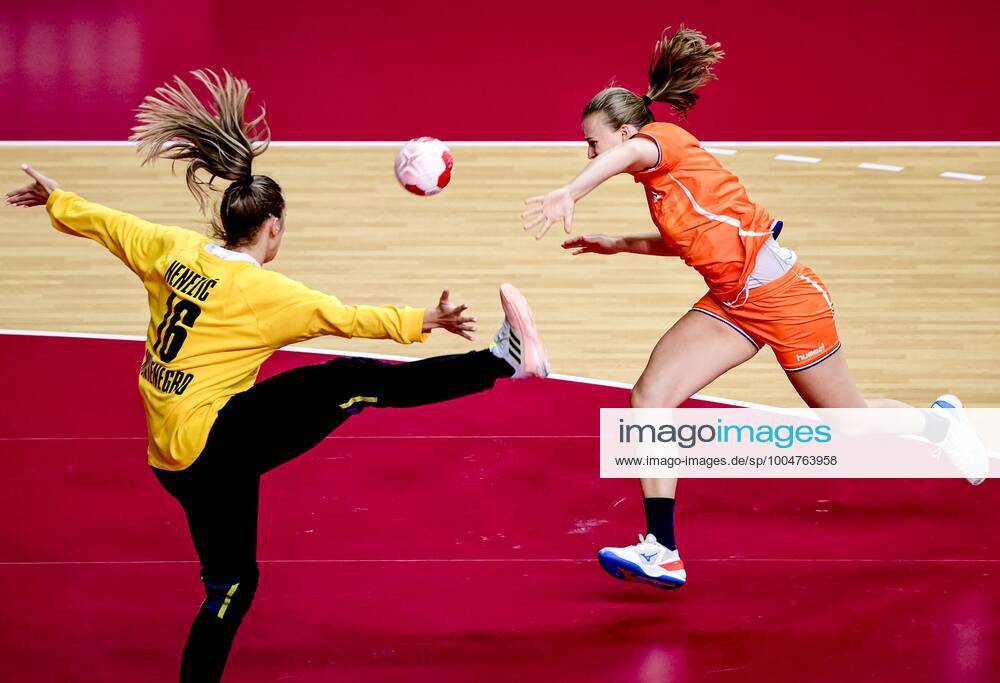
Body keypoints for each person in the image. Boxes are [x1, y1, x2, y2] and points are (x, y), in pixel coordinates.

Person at [5, 69, 548, 681]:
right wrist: (430, 317)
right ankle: (501, 361)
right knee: (349, 381)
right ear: (272, 228)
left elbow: (110, 225)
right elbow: (344, 317)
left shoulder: (170, 248)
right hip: (214, 445)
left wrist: (57, 199)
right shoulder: (262, 291)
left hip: (172, 456)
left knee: (230, 586)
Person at [519, 26, 987, 591]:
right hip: (732, 301)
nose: (589, 154)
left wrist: (572, 190)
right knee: (649, 399)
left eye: (594, 145)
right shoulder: (664, 186)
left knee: (850, 423)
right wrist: (617, 243)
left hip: (784, 296)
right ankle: (661, 549)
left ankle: (940, 423)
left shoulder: (661, 143)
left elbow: (632, 153)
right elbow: (688, 239)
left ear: (623, 134)